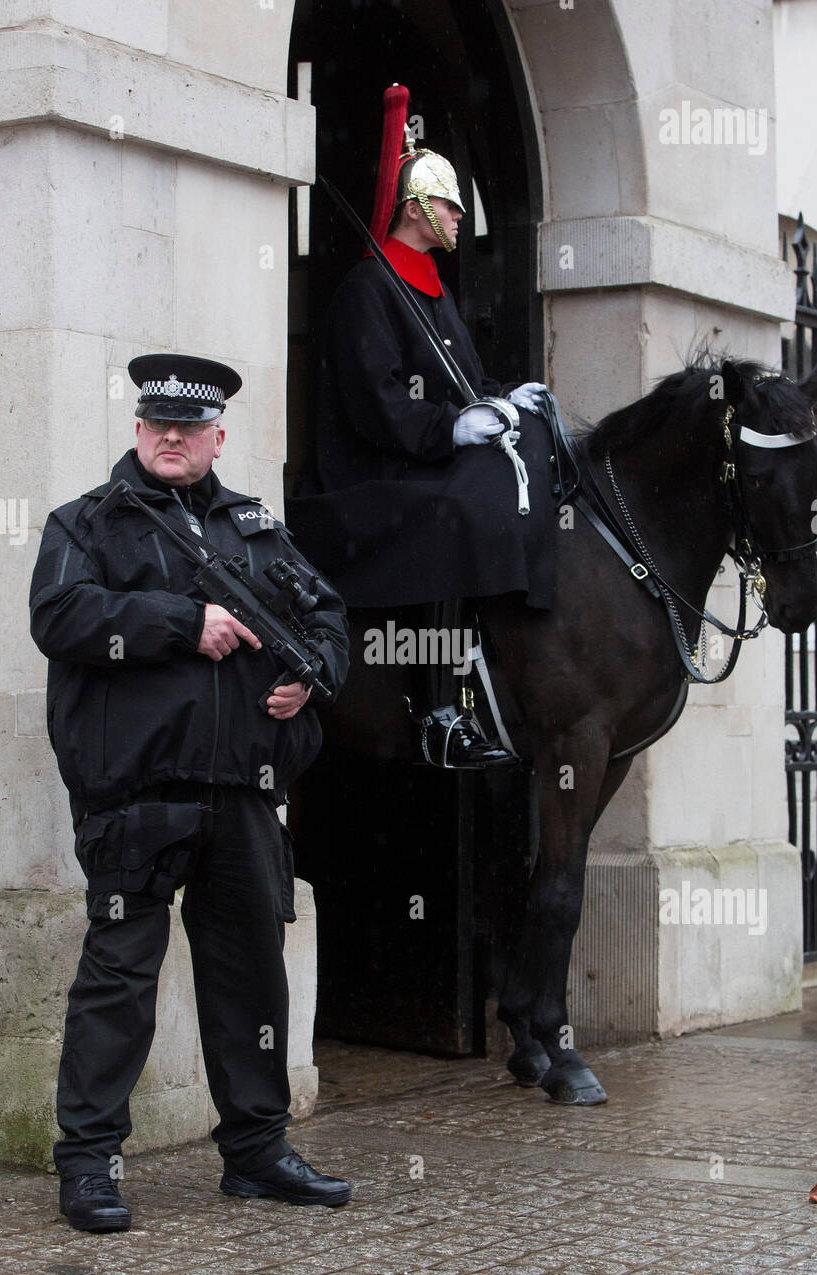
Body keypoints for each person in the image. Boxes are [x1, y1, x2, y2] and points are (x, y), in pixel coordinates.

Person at [29, 353, 351, 1232]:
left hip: (243, 792)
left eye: (189, 428)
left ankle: (256, 1153)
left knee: (250, 984)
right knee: (118, 982)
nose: (172, 438)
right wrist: (182, 622)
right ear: (137, 432)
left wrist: (310, 678)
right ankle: (89, 1164)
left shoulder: (255, 529)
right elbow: (58, 618)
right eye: (157, 425)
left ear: (216, 437)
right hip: (136, 794)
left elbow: (327, 617)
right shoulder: (87, 523)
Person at [288, 85, 554, 769]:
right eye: (448, 205)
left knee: (519, 481)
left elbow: (459, 384)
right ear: (414, 208)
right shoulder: (368, 290)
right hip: (374, 470)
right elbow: (377, 402)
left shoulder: (428, 287)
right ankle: (440, 709)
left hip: (423, 457)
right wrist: (450, 430)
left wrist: (500, 400)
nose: (460, 218)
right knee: (460, 510)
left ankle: (501, 671)